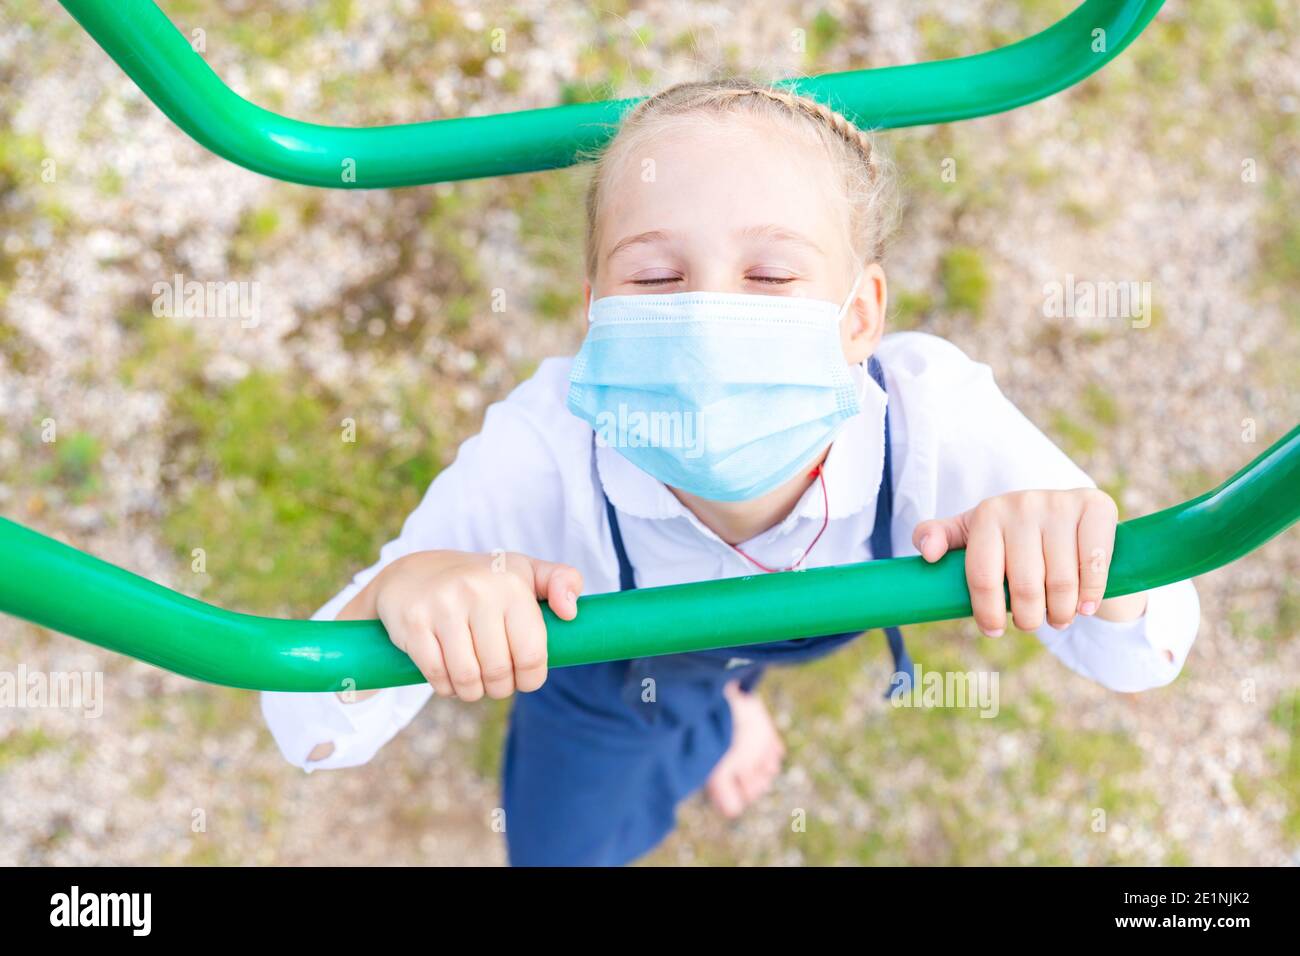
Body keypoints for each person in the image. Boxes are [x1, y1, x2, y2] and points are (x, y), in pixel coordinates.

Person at [262, 79, 1200, 866]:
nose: (708, 313)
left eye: (771, 277)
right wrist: (404, 592)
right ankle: (715, 720)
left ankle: (731, 702)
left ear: (862, 316)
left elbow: (1151, 647)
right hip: (601, 676)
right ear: (593, 312)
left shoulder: (931, 418)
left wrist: (1082, 558)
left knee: (736, 665)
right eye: (659, 280)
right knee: (560, 851)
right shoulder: (542, 453)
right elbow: (306, 724)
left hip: (797, 626)